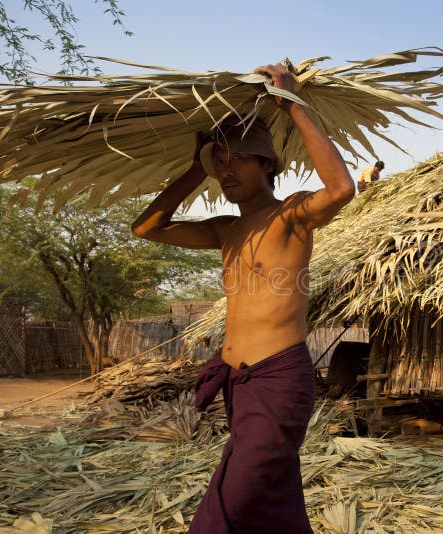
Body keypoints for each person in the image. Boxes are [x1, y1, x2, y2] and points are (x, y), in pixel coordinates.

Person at [131, 63, 354, 533]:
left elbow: (340, 189)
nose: (225, 170)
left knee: (230, 504)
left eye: (238, 159)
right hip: (241, 384)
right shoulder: (224, 230)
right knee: (272, 500)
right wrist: (197, 168)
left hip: (278, 381)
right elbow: (146, 227)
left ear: (267, 163)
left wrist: (290, 104)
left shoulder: (290, 215)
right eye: (220, 162)